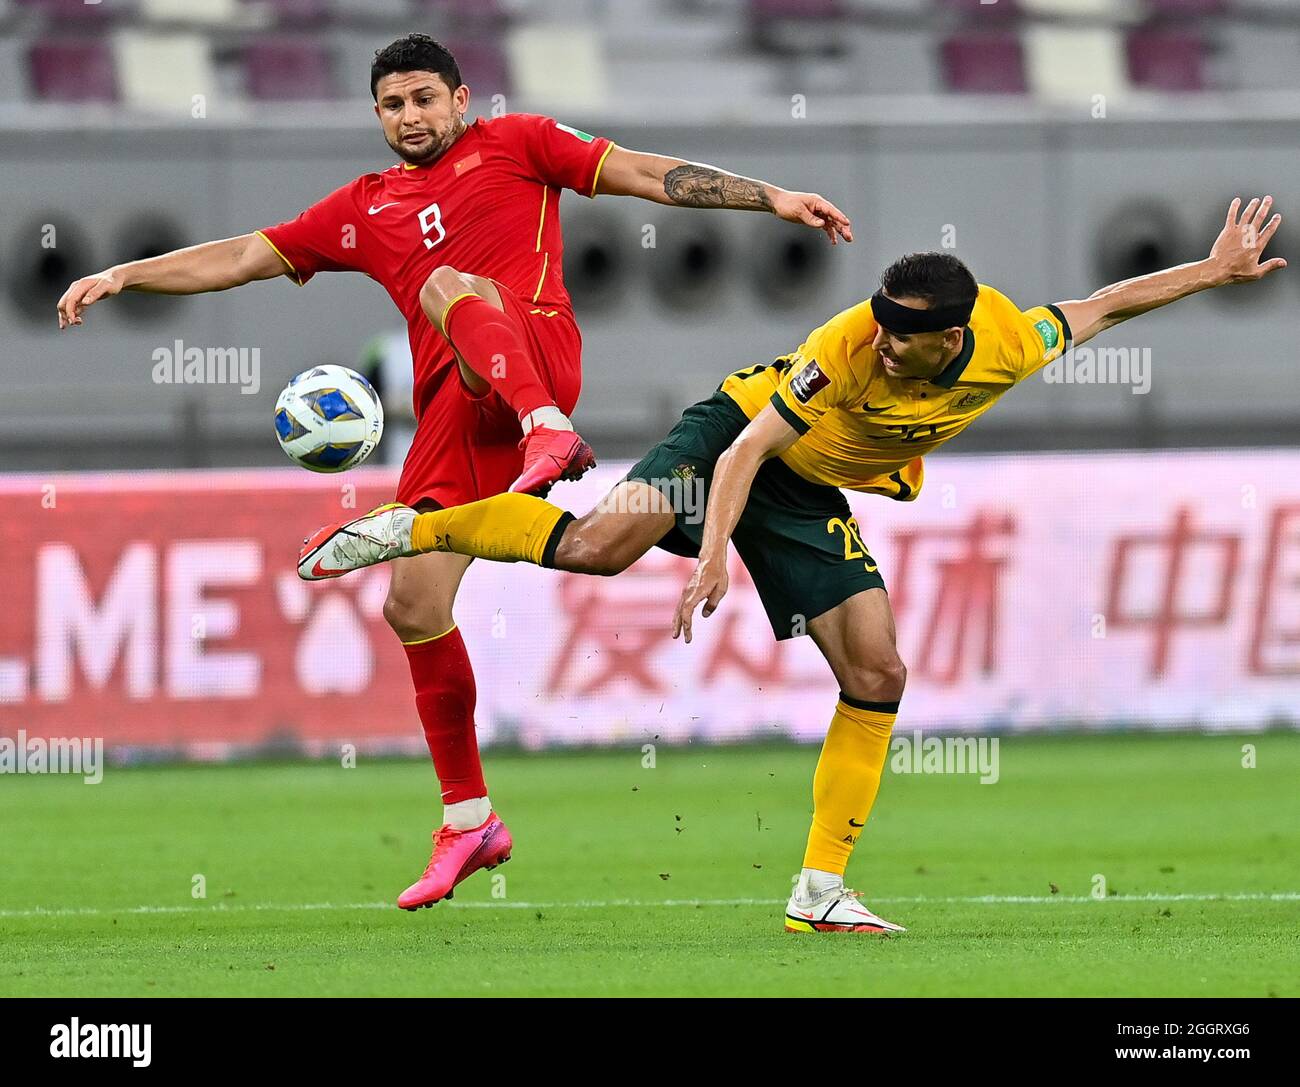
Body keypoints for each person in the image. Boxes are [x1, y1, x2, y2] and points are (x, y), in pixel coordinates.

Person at [299, 196, 1284, 930]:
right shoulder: (841, 346)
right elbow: (740, 454)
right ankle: (420, 529)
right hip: (731, 437)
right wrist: (712, 555)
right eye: (880, 331)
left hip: (806, 494)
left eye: (906, 342)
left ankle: (819, 888)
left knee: (877, 671)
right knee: (603, 545)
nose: (885, 351)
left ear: (953, 335)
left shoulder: (1006, 344)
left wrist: (1210, 269)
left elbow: (1101, 306)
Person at [55, 32, 854, 912]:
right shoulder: (361, 208)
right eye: (393, 105)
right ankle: (469, 818)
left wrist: (770, 196)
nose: (411, 117)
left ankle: (549, 430)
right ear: (377, 115)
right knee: (413, 605)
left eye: (425, 99)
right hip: (452, 416)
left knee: (445, 285)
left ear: (462, 99)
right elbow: (242, 255)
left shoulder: (520, 144)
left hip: (534, 359)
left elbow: (645, 174)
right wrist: (123, 273)